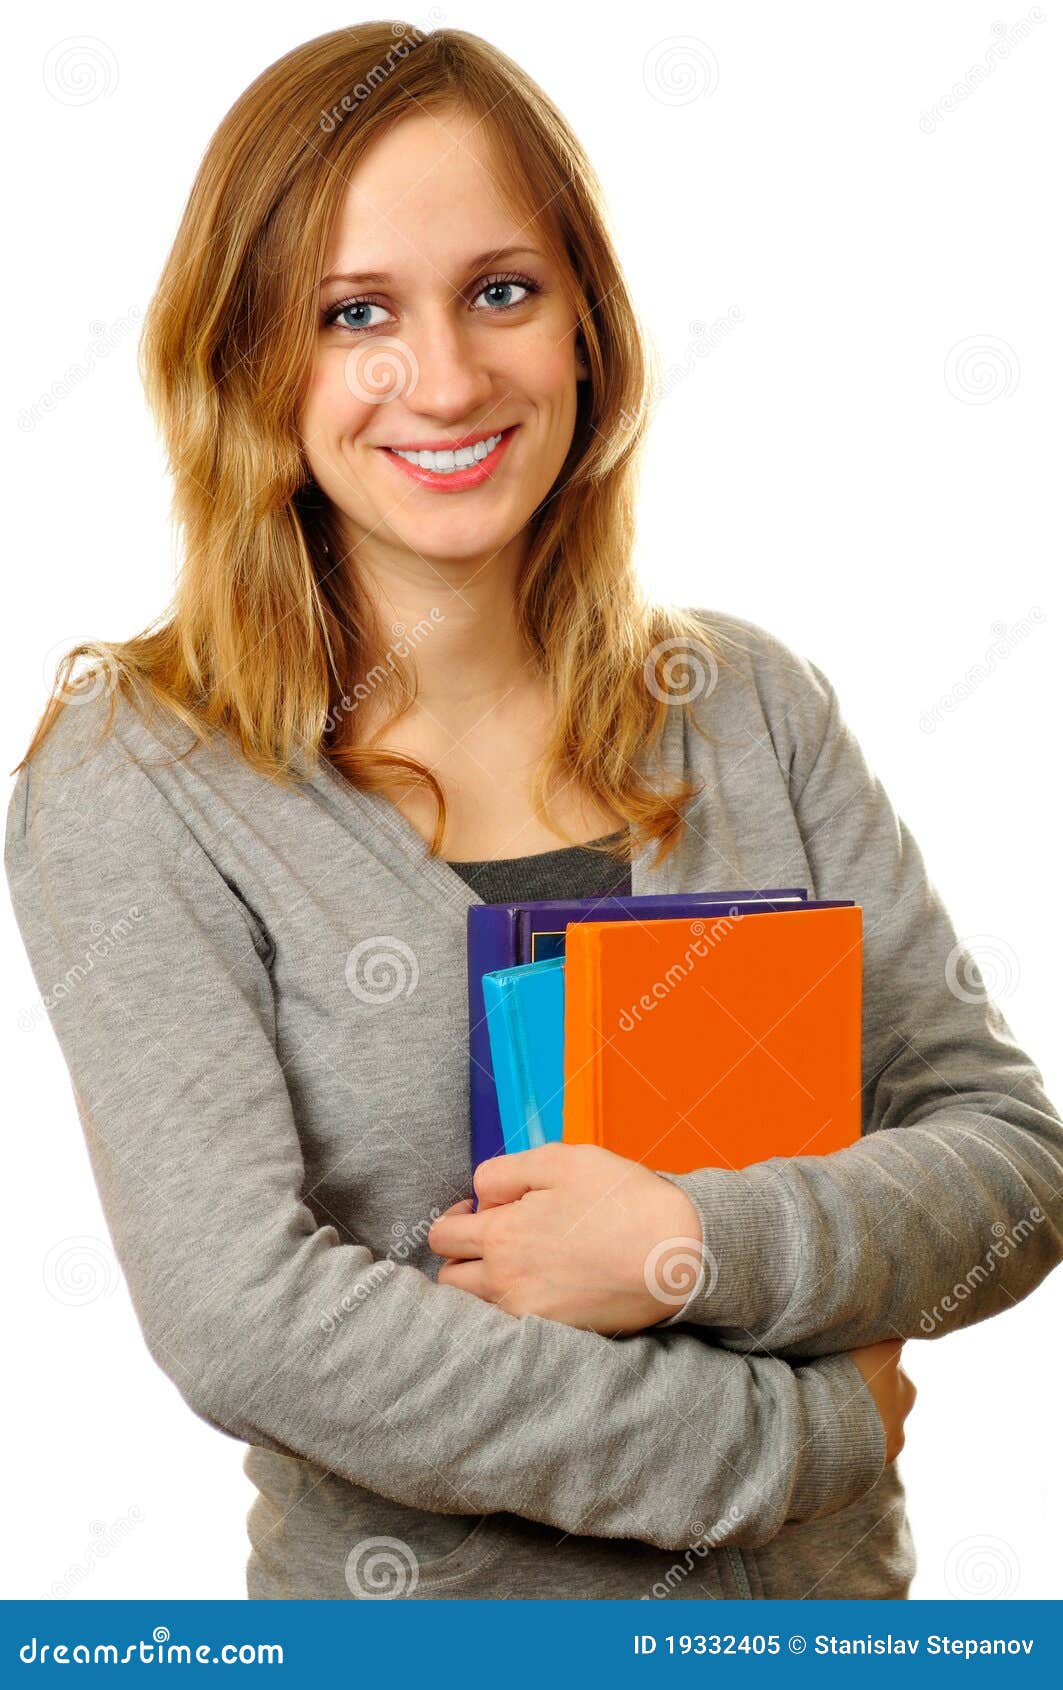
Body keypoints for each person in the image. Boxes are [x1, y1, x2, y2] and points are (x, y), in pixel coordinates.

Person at [6, 23, 1060, 1604]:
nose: (444, 378)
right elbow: (247, 1319)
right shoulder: (139, 777)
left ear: (587, 328)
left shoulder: (748, 705)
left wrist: (685, 1240)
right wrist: (788, 1437)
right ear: (248, 361)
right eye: (354, 313)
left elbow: (1009, 1159)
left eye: (502, 290)